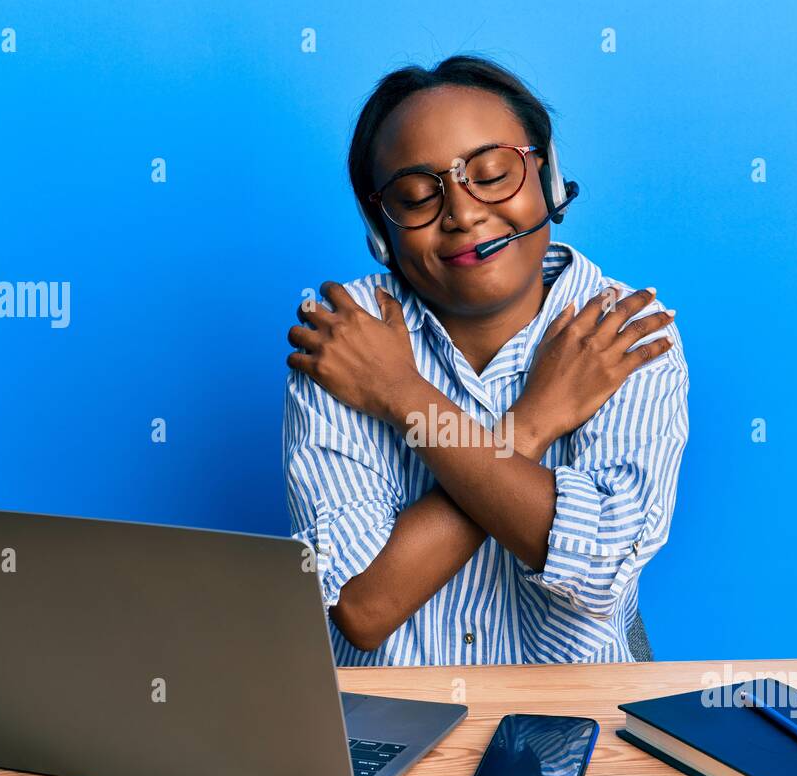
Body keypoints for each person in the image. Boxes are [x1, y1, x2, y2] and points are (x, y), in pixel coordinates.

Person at [283, 55, 690, 665]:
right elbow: (365, 607)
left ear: (548, 177)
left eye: (493, 173)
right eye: (418, 195)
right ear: (379, 228)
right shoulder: (348, 339)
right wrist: (536, 417)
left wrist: (399, 398)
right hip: (393, 719)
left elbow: (600, 568)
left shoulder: (623, 333)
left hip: (578, 719)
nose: (464, 214)